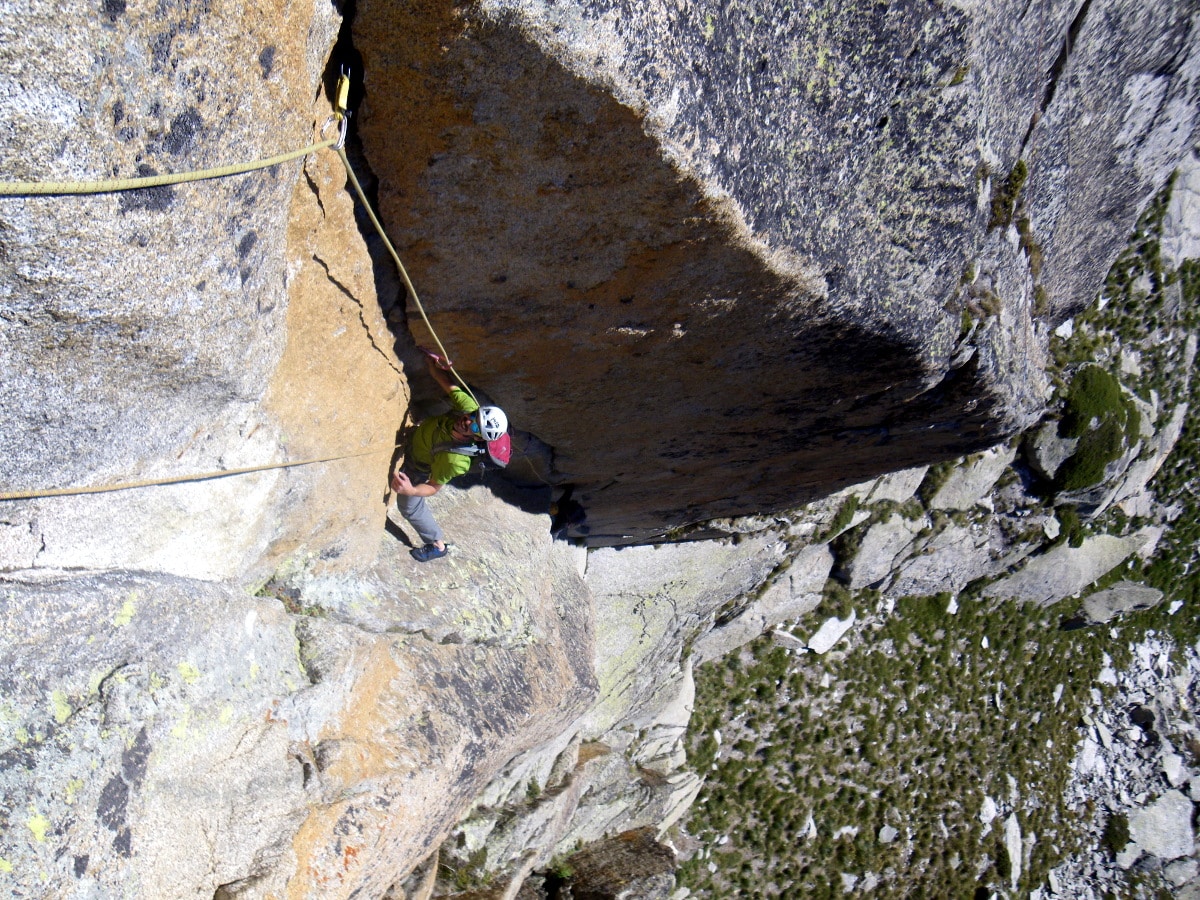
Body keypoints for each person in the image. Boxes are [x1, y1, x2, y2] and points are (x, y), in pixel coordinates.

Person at [391, 349, 508, 562]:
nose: (467, 421)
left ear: (479, 438)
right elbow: (447, 384)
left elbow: (434, 486)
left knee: (409, 506)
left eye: (474, 425)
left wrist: (412, 489)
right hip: (418, 437)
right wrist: (433, 366)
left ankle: (437, 544)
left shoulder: (455, 460)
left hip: (418, 465)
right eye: (474, 416)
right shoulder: (468, 408)